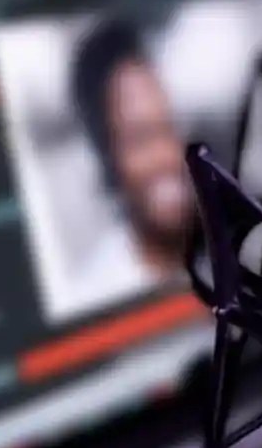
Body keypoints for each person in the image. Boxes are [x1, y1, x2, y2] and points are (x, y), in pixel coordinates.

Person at [64, 17, 194, 319]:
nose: (167, 154)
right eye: (141, 138)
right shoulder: (93, 298)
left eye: (168, 128)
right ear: (106, 154)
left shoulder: (227, 254)